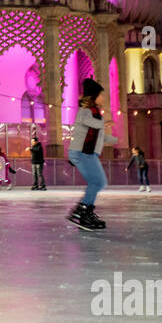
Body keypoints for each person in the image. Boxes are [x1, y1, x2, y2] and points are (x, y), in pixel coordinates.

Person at [66, 78, 116, 230]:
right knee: (98, 182)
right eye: (100, 95)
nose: (102, 98)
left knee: (98, 182)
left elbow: (98, 135)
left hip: (88, 153)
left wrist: (114, 139)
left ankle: (85, 211)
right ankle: (81, 212)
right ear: (94, 96)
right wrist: (104, 123)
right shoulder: (86, 112)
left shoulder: (96, 114)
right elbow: (88, 122)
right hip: (81, 153)